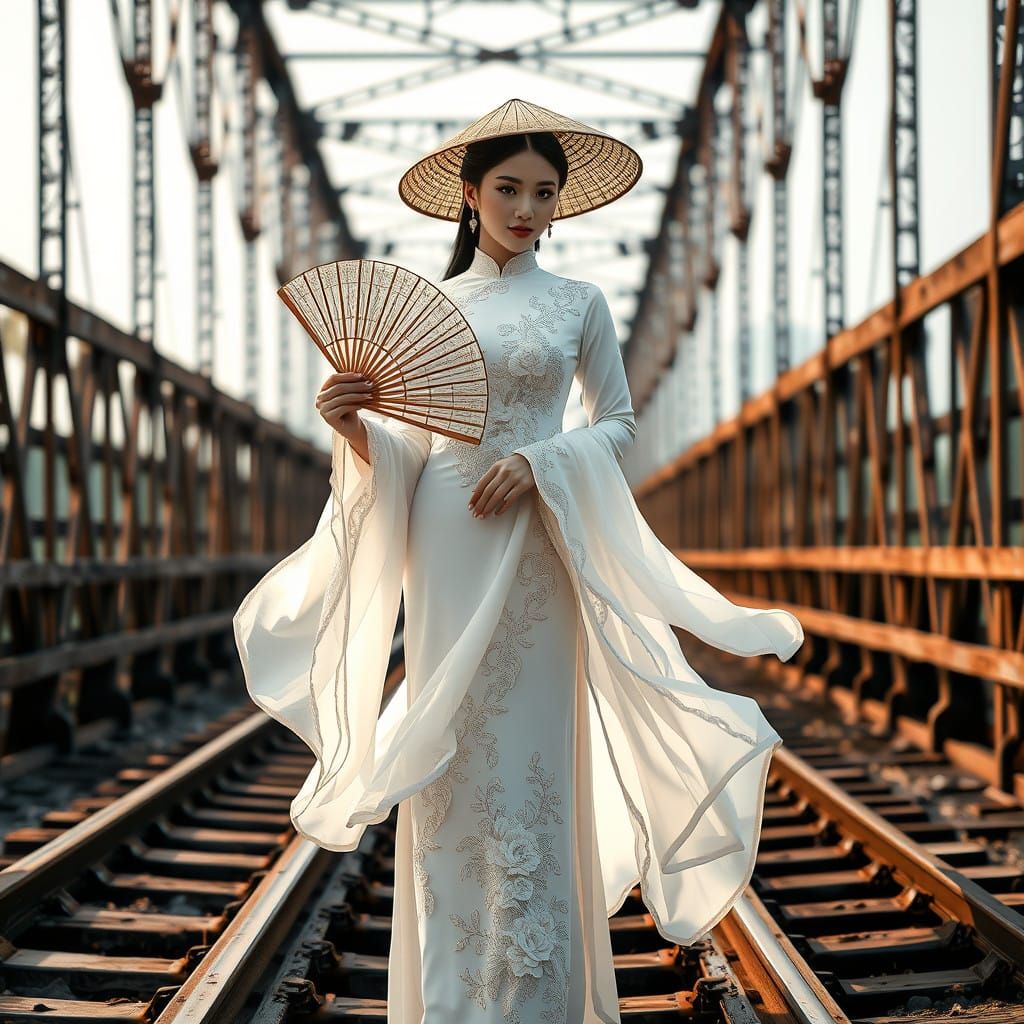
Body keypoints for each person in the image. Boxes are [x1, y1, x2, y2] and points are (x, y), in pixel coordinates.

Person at [233, 98, 804, 1024]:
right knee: (452, 764)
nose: (528, 207)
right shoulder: (433, 309)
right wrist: (354, 427)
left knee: (533, 759)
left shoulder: (581, 304)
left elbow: (616, 424)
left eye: (544, 191)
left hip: (540, 546)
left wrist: (542, 463)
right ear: (469, 195)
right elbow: (413, 448)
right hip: (446, 542)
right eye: (508, 189)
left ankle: (537, 1001)